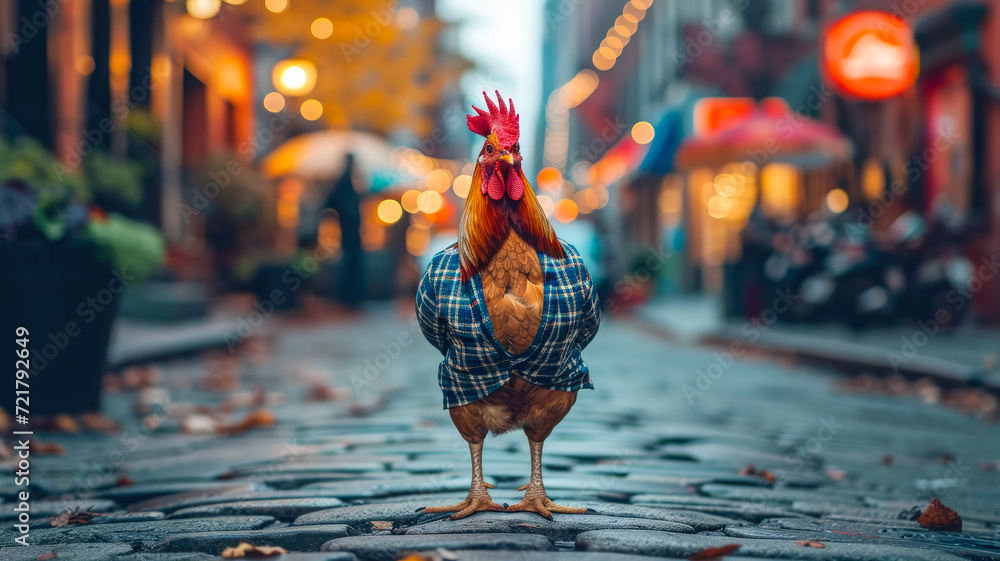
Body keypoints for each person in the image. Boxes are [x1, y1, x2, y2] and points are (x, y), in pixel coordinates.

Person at [324, 153, 363, 307]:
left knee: (352, 265)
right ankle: (349, 298)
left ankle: (351, 298)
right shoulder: (345, 181)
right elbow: (330, 203)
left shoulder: (351, 181)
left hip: (351, 234)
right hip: (349, 234)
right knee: (350, 265)